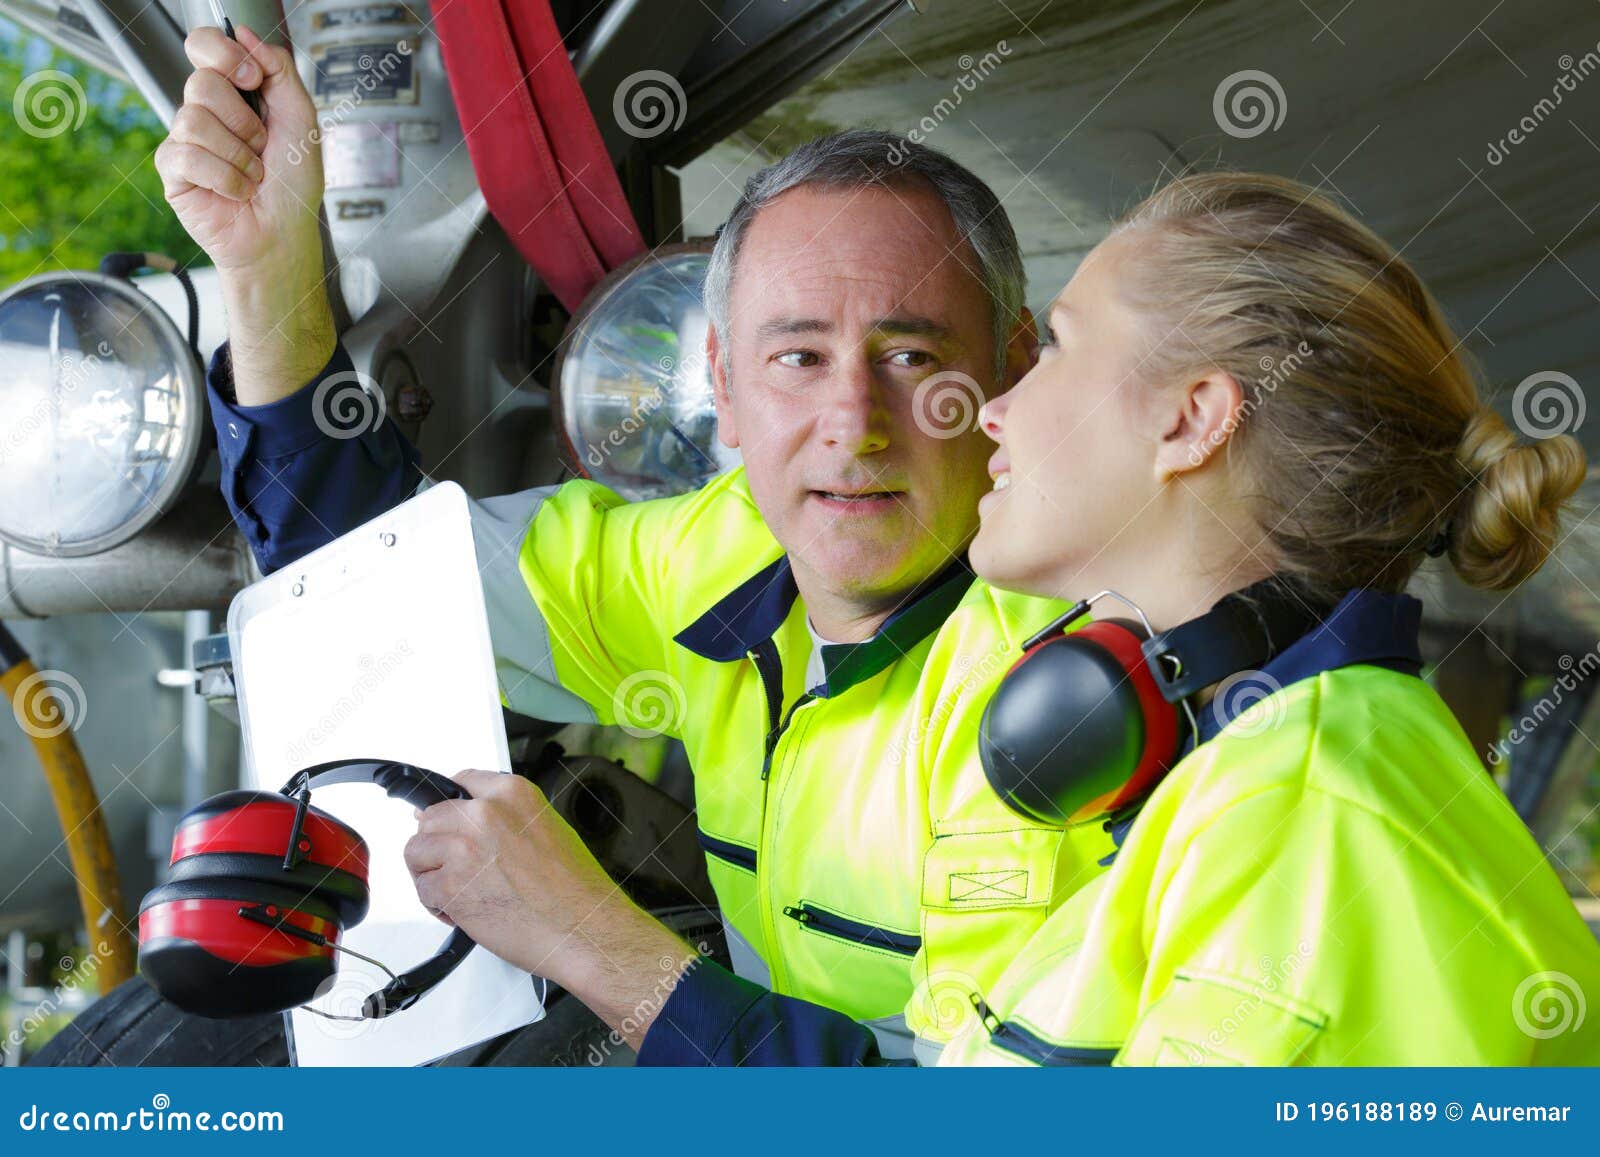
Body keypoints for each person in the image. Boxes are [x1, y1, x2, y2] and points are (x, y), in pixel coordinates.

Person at [155, 26, 1110, 1059]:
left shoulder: (1073, 695)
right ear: (726, 387)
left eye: (911, 354)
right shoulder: (722, 552)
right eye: (797, 355)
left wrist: (589, 937)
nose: (852, 420)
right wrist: (268, 270)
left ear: (1012, 370)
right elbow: (373, 589)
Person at [631, 171, 1600, 1065]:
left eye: (1055, 342)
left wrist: (622, 969)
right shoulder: (1249, 776)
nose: (994, 407)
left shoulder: (1307, 826)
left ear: (1188, 420)